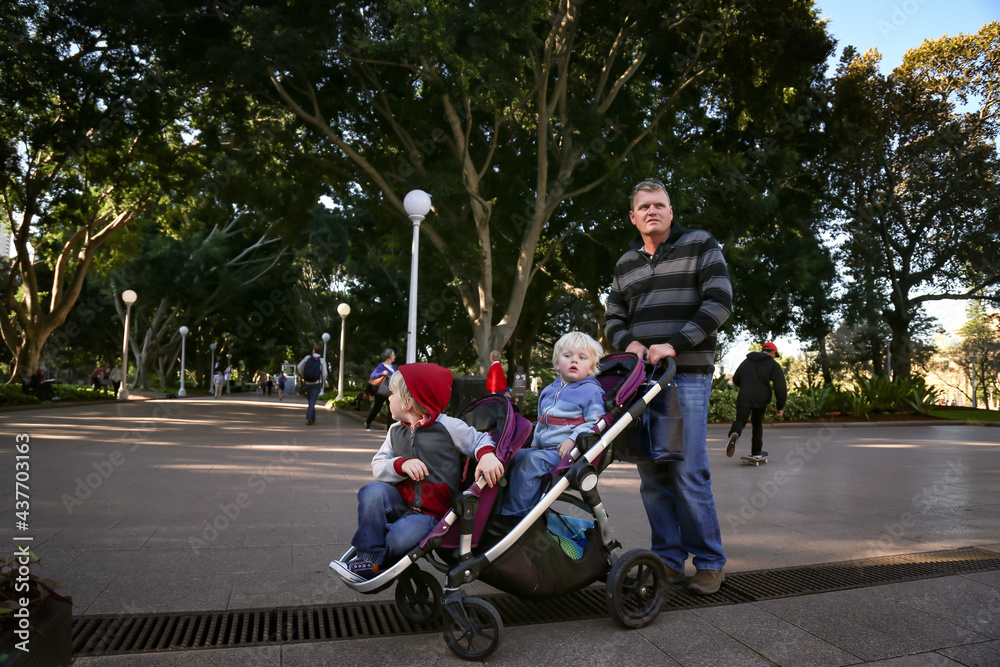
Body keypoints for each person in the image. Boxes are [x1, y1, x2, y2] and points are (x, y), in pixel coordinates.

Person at [604, 179, 733, 596]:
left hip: (687, 376)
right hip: (641, 382)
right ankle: (671, 560)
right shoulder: (626, 263)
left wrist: (672, 344)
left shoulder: (700, 244)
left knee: (687, 471)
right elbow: (612, 319)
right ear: (633, 216)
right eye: (644, 206)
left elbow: (719, 302)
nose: (652, 211)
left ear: (671, 211)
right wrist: (633, 344)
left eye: (660, 205)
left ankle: (710, 562)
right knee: (652, 473)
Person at [330, 363, 504, 581]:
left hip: (432, 514)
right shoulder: (395, 431)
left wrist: (486, 455)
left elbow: (480, 439)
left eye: (392, 393)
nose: (389, 398)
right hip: (401, 503)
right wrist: (400, 464)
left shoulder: (448, 427)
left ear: (408, 402)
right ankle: (368, 558)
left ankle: (380, 554)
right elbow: (378, 466)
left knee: (398, 539)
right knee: (372, 492)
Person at [501, 332, 605, 517]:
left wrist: (573, 439)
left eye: (582, 357)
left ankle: (516, 515)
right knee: (512, 456)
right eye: (568, 356)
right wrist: (532, 445)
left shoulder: (591, 392)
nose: (574, 361)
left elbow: (596, 422)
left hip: (565, 453)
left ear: (590, 368)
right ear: (557, 363)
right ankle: (497, 504)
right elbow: (541, 423)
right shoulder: (548, 391)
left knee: (531, 462)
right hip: (541, 448)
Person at [727, 342, 787, 462]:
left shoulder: (746, 362)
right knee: (757, 423)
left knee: (740, 420)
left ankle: (735, 433)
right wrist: (780, 406)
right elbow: (780, 387)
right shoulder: (773, 365)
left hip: (745, 396)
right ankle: (756, 452)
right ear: (773, 353)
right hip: (761, 398)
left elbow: (736, 378)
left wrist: (745, 386)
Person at [365, 349, 397, 432]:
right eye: (393, 355)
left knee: (391, 410)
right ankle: (368, 423)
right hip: (381, 392)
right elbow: (372, 376)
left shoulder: (393, 367)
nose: (394, 357)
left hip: (390, 392)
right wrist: (382, 373)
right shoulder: (381, 366)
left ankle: (389, 430)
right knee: (377, 409)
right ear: (389, 356)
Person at [297, 344, 328, 425]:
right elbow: (325, 374)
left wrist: (303, 374)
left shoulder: (307, 357)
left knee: (311, 402)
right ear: (320, 352)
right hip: (316, 383)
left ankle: (313, 419)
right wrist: (323, 380)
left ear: (313, 350)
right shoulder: (322, 360)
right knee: (312, 402)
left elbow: (298, 366)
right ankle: (308, 419)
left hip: (307, 383)